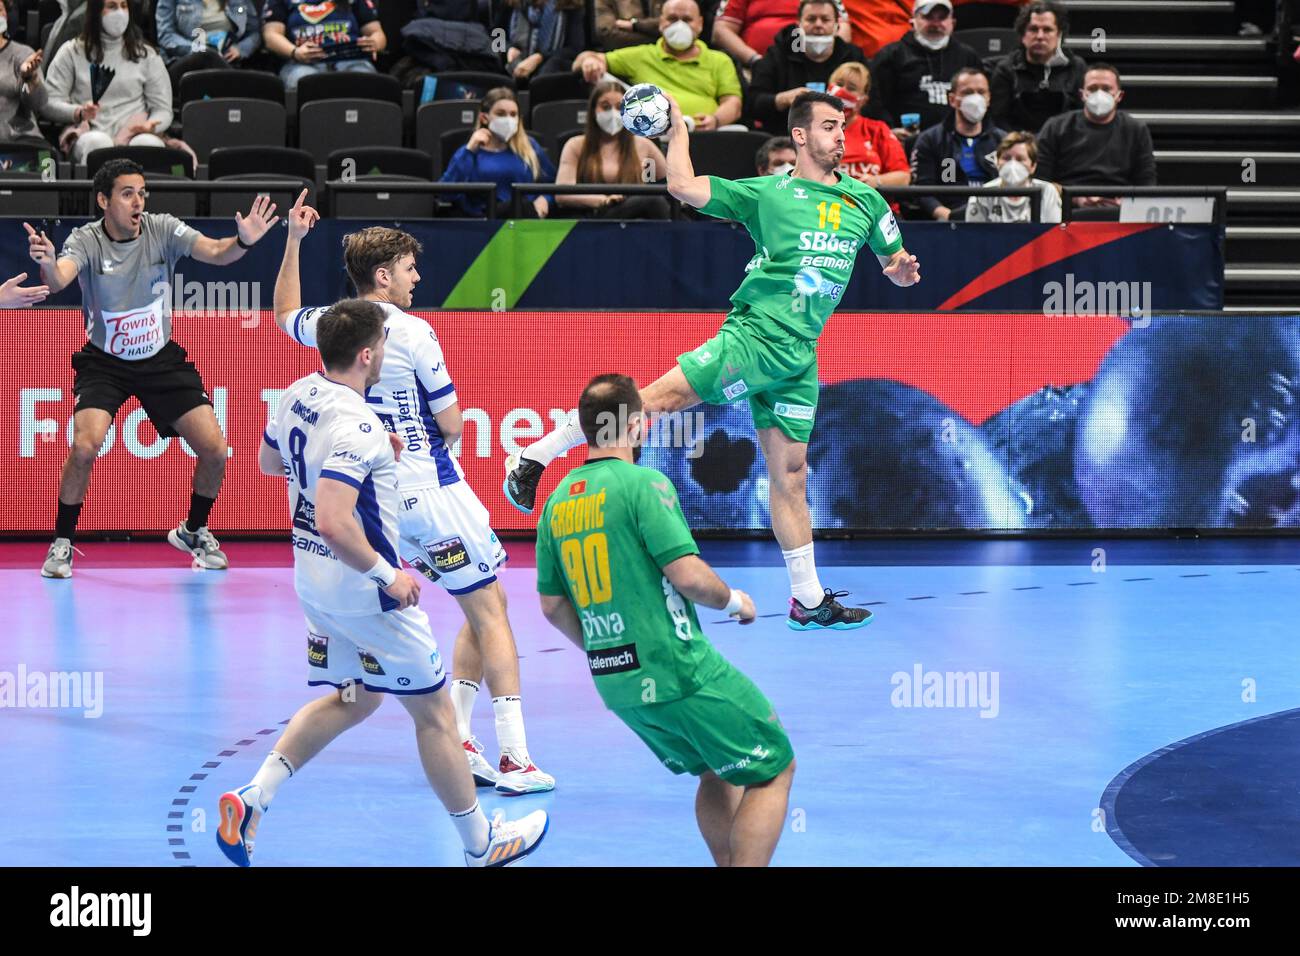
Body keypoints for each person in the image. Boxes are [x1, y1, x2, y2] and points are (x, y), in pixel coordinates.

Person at [506, 90, 921, 628]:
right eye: (827, 126)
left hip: (800, 355)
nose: (840, 135)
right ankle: (534, 456)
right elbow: (681, 187)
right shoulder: (765, 193)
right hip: (756, 334)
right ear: (799, 136)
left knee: (791, 475)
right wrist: (677, 133)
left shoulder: (866, 202)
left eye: (842, 126)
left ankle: (808, 599)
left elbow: (893, 261)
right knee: (650, 404)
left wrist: (901, 271)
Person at [217, 298, 549, 868]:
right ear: (367, 354)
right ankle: (481, 844)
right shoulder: (362, 423)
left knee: (355, 697)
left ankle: (254, 798)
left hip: (315, 584)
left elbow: (273, 465)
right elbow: (334, 519)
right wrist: (389, 575)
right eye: (385, 346)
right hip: (366, 593)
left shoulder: (297, 393)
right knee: (437, 718)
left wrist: (367, 455)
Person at [272, 201, 555, 795]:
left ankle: (466, 739)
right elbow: (450, 421)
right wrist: (431, 433)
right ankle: (516, 760)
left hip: (389, 505)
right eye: (407, 268)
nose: (416, 278)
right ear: (383, 277)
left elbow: (285, 313)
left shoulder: (332, 322)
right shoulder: (416, 331)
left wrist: (294, 241)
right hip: (436, 490)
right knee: (492, 612)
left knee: (481, 601)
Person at [537, 373, 795, 866]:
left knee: (714, 771)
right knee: (773, 767)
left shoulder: (556, 503)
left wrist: (602, 648)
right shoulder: (644, 484)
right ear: (635, 424)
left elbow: (551, 606)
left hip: (618, 685)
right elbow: (688, 576)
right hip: (677, 670)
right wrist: (736, 602)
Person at [26, 158, 279, 578]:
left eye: (142, 193)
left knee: (215, 449)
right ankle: (62, 542)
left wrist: (244, 241)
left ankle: (194, 530)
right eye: (127, 194)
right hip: (105, 363)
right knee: (85, 446)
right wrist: (49, 261)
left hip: (159, 359)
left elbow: (217, 253)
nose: (138, 202)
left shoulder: (162, 228)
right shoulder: (86, 240)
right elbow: (58, 280)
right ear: (104, 200)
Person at [573, 0, 743, 132]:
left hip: (707, 136)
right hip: (655, 136)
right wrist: (590, 61)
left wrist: (716, 120)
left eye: (687, 20)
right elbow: (587, 58)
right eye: (672, 19)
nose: (679, 25)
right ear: (661, 23)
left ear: (700, 24)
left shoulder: (720, 60)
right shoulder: (640, 55)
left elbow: (733, 103)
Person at [42, 0, 175, 165]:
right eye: (112, 6)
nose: (120, 12)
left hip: (135, 133)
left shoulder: (147, 55)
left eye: (123, 6)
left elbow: (163, 110)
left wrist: (151, 126)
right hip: (88, 133)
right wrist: (78, 112)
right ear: (96, 12)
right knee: (98, 143)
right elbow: (49, 103)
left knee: (149, 144)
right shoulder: (71, 52)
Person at [1034, 63, 1156, 211]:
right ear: (1082, 95)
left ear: (1119, 96)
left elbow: (1146, 182)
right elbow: (1040, 180)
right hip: (1065, 209)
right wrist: (1073, 198)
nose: (1099, 94)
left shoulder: (1136, 129)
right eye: (1092, 89)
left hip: (1120, 211)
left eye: (1106, 89)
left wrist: (1126, 201)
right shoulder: (1056, 127)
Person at [555, 80, 670, 219]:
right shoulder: (575, 145)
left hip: (637, 215)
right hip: (595, 215)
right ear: (593, 111)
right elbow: (562, 195)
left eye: (619, 107)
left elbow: (668, 184)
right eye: (605, 107)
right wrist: (603, 200)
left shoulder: (644, 145)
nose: (613, 113)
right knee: (653, 201)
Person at [747, 0, 866, 132]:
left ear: (837, 25)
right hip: (786, 136)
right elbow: (752, 104)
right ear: (798, 24)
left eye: (825, 19)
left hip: (843, 136)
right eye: (811, 19)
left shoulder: (853, 56)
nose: (818, 25)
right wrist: (784, 99)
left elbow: (872, 103)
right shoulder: (778, 53)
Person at [867, 0, 984, 132]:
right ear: (913, 21)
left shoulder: (968, 57)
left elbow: (983, 101)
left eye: (942, 17)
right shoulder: (891, 56)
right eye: (928, 17)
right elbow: (875, 103)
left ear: (953, 23)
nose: (935, 24)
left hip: (956, 140)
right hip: (904, 140)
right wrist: (889, 131)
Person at [440, 87, 556, 218]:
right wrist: (470, 150)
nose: (508, 119)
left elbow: (552, 186)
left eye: (513, 114)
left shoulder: (530, 148)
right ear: (484, 118)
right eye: (501, 114)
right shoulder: (469, 151)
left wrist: (545, 200)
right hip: (482, 225)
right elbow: (446, 193)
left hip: (525, 223)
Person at [910, 65, 1003, 220]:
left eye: (981, 92)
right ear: (952, 99)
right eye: (967, 92)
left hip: (994, 218)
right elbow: (922, 190)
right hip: (949, 220)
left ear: (989, 98)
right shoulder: (930, 140)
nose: (976, 98)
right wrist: (948, 216)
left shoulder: (1003, 141)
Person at [989, 0, 1087, 134]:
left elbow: (1081, 116)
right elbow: (999, 120)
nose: (1040, 36)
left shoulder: (1076, 67)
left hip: (1063, 146)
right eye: (1033, 29)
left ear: (1059, 35)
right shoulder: (1006, 69)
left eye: (1047, 30)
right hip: (1018, 146)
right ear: (1023, 35)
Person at [261, 0, 385, 91]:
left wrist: (374, 43)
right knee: (303, 80)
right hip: (302, 62)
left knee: (365, 80)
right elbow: (271, 35)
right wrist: (295, 52)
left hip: (350, 58)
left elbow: (377, 33)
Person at [826, 61, 909, 189]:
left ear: (863, 100)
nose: (842, 91)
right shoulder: (813, 129)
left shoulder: (877, 130)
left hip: (870, 204)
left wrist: (876, 181)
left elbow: (903, 177)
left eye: (851, 88)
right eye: (839, 84)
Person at [712, 0, 851, 73]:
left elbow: (842, 27)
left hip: (818, 66)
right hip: (754, 66)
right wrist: (756, 62)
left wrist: (826, 61)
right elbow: (722, 30)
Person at [155, 0, 262, 92]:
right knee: (207, 55)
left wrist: (241, 49)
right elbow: (166, 36)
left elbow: (254, 33)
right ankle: (244, 95)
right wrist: (198, 49)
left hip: (226, 60)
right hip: (184, 60)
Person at [965, 129, 1061, 223]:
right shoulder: (982, 195)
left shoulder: (1047, 192)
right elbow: (975, 236)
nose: (1012, 164)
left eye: (1020, 159)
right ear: (997, 163)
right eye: (1006, 158)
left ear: (1033, 166)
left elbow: (1053, 235)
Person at [0, 1, 49, 145]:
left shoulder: (23, 54)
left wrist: (29, 79)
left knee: (48, 161)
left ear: (5, 15)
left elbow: (39, 104)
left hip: (20, 141)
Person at [505, 0, 587, 83]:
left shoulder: (571, 5)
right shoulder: (511, 3)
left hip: (551, 66)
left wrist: (540, 57)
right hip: (515, 61)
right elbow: (495, 34)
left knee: (549, 71)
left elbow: (574, 48)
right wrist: (508, 48)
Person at [595, 0, 666, 50]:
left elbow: (673, 22)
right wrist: (660, 38)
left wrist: (635, 25)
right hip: (625, 58)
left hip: (665, 56)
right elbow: (609, 36)